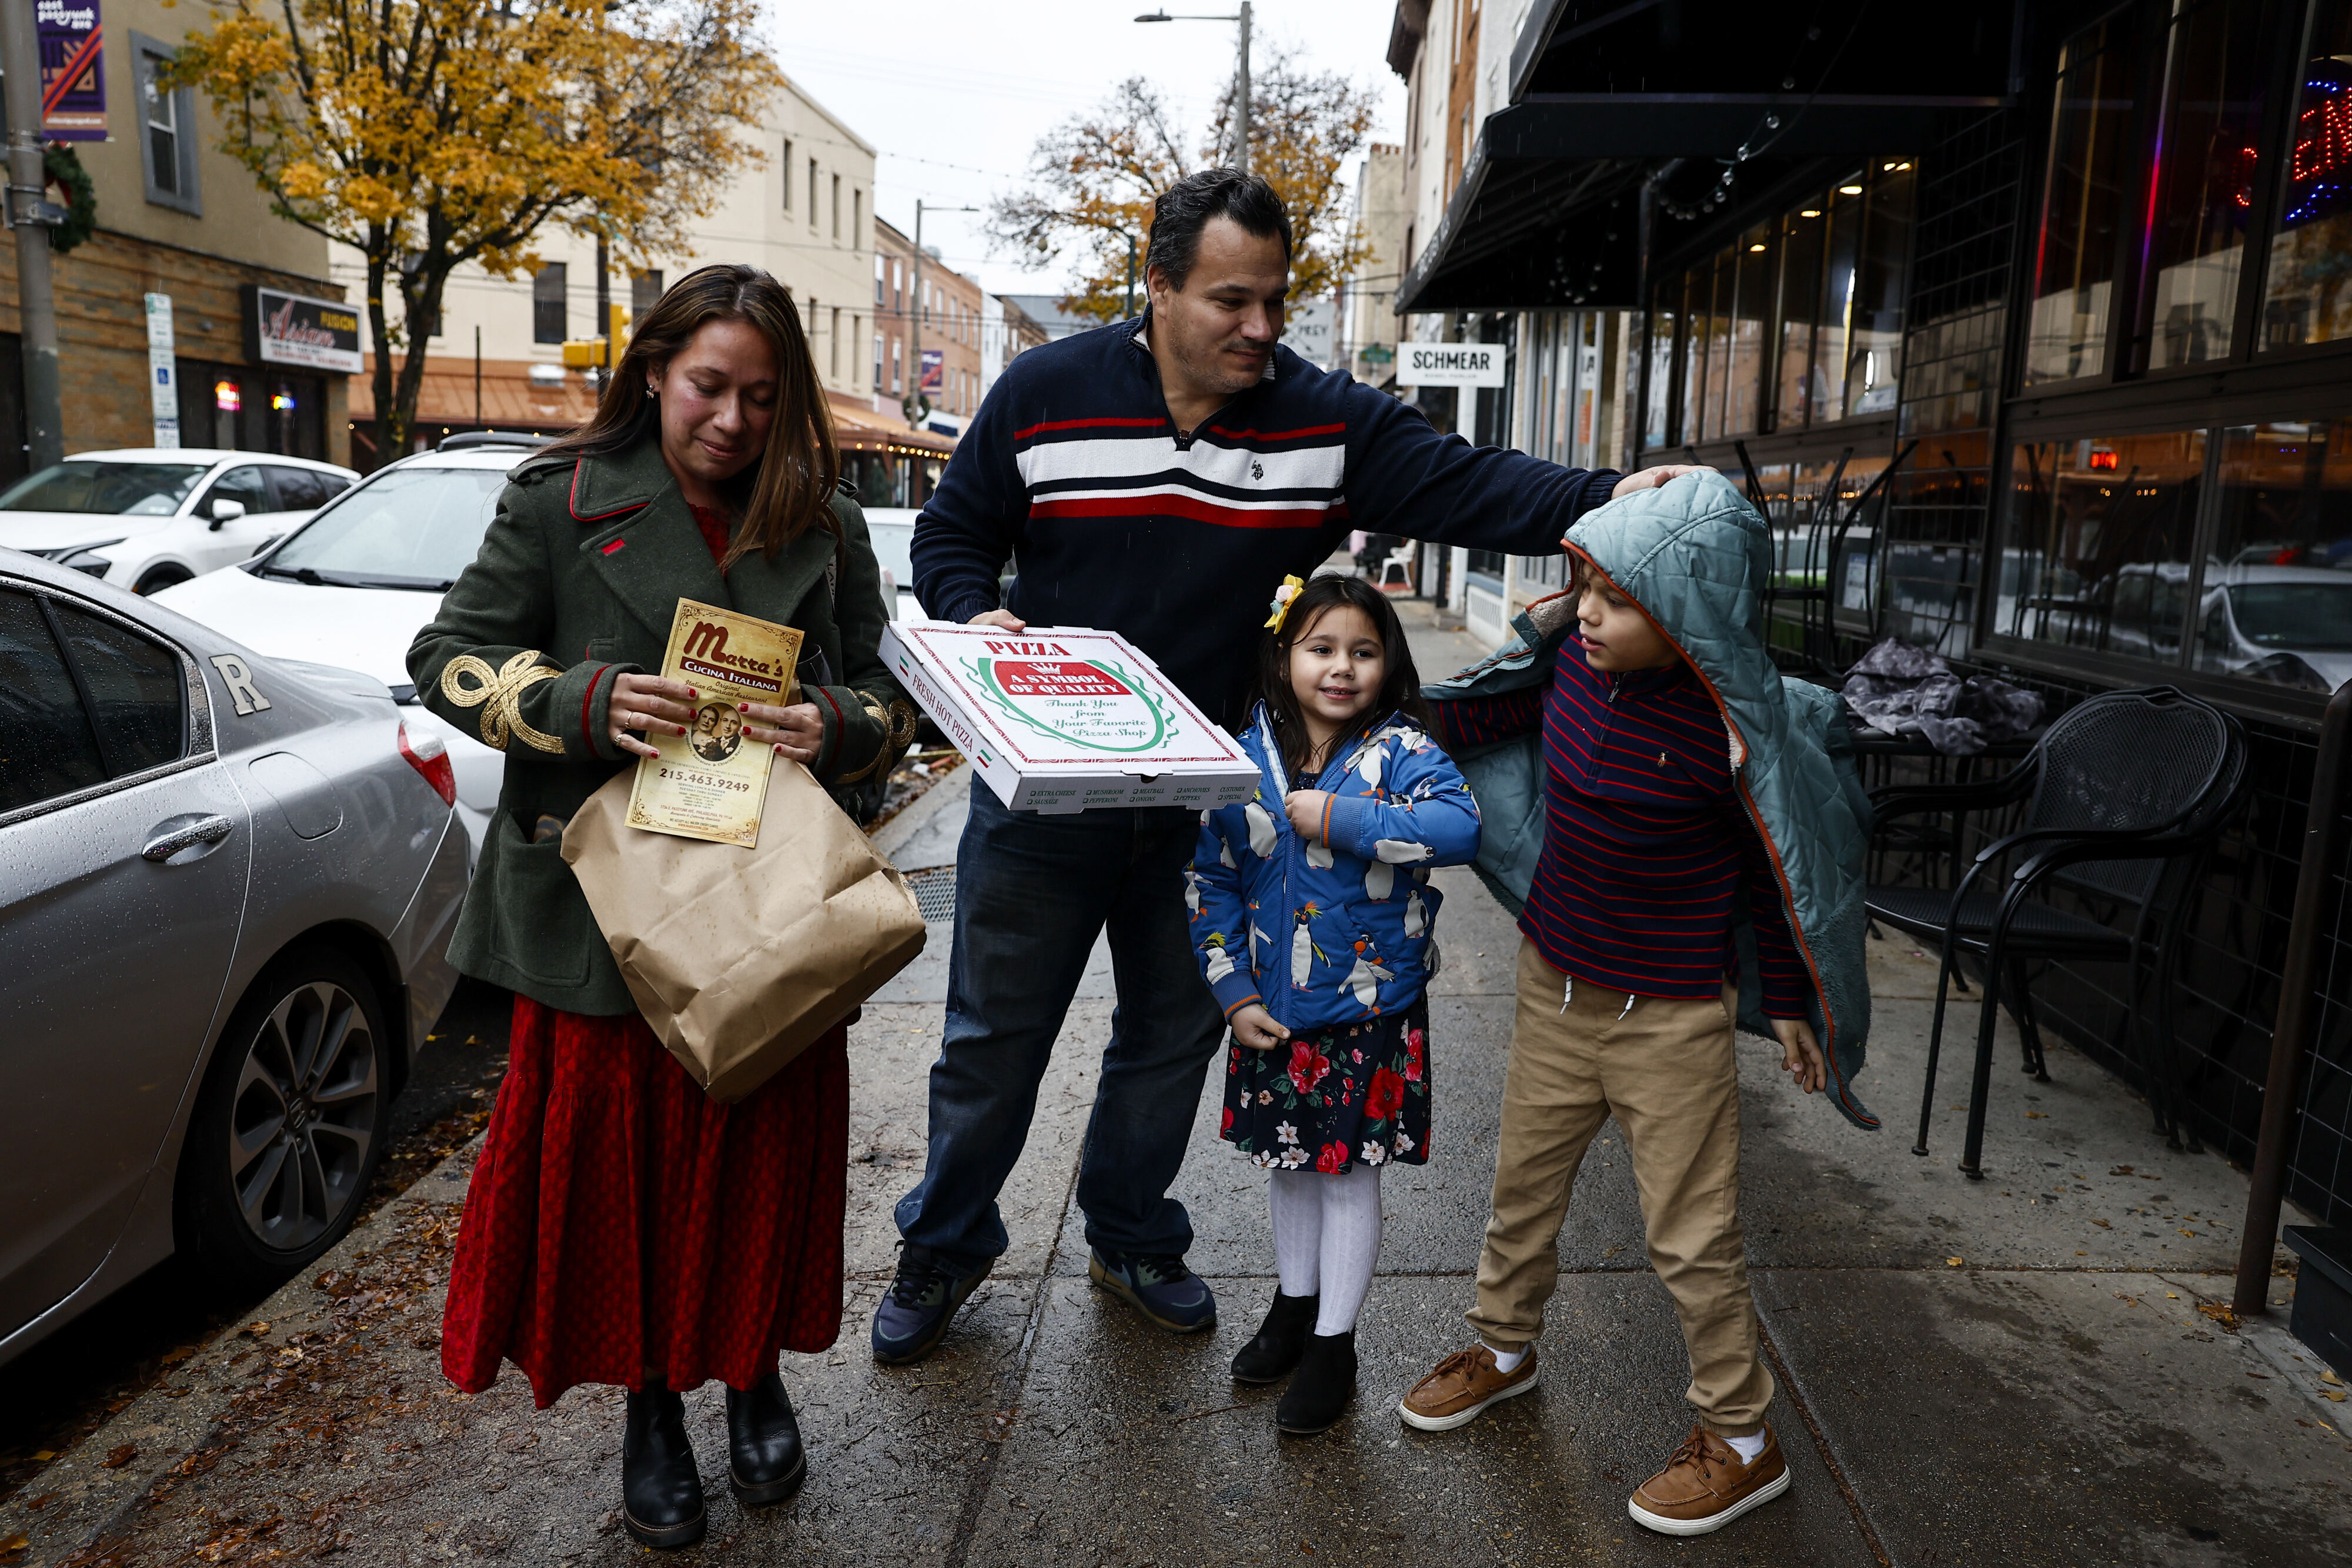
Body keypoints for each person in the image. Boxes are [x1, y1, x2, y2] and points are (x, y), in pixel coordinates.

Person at [886, 165, 1698, 1364]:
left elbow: (1468, 482)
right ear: (1158, 286)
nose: (1262, 327)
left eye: (1274, 298)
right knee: (992, 1040)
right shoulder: (1044, 392)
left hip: (1217, 806)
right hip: (1045, 794)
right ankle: (944, 1244)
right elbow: (954, 531)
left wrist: (1607, 498)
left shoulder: (1324, 420)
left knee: (1174, 1036)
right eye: (1231, 300)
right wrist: (974, 614)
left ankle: (1129, 1232)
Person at [410, 263, 915, 1550]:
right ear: (653, 372)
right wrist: (582, 701)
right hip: (609, 918)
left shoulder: (826, 520)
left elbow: (887, 696)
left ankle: (752, 1371)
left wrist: (835, 722)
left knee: (760, 1164)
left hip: (775, 906)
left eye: (762, 395)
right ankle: (651, 1404)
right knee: (626, 1185)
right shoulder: (558, 500)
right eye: (707, 386)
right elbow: (446, 658)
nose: (733, 421)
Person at [1401, 470, 1875, 1537]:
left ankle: (1742, 1440)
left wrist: (1788, 999)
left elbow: (1776, 871)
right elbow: (1474, 715)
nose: (1589, 613)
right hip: (1553, 989)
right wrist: (1367, 717)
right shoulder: (1569, 665)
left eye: (1619, 599)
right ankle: (1504, 1350)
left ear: (1687, 613)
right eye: (1586, 588)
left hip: (1669, 1019)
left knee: (1692, 1237)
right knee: (1521, 1191)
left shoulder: (1730, 730)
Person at [1191, 573, 1479, 1435]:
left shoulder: (1402, 750)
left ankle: (1333, 1343)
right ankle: (1293, 1305)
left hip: (1368, 1011)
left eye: (1363, 650)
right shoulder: (1243, 758)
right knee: (1290, 1165)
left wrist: (1341, 818)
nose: (1342, 667)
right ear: (1285, 656)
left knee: (1348, 1173)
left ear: (1388, 664)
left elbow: (1460, 828)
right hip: (1273, 1011)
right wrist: (1233, 992)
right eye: (1321, 648)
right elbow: (1211, 879)